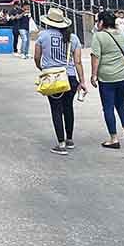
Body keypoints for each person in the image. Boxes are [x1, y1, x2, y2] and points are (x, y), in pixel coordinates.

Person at [34, 8, 87, 155]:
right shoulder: (73, 38)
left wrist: (42, 69)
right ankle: (70, 139)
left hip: (52, 77)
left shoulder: (42, 36)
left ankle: (61, 143)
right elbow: (78, 62)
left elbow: (37, 57)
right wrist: (82, 81)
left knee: (56, 109)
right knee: (68, 107)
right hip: (70, 77)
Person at [91, 10, 124, 149]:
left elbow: (95, 57)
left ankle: (114, 139)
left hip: (107, 77)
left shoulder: (98, 36)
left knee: (108, 107)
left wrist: (94, 75)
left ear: (102, 22)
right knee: (121, 104)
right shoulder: (121, 34)